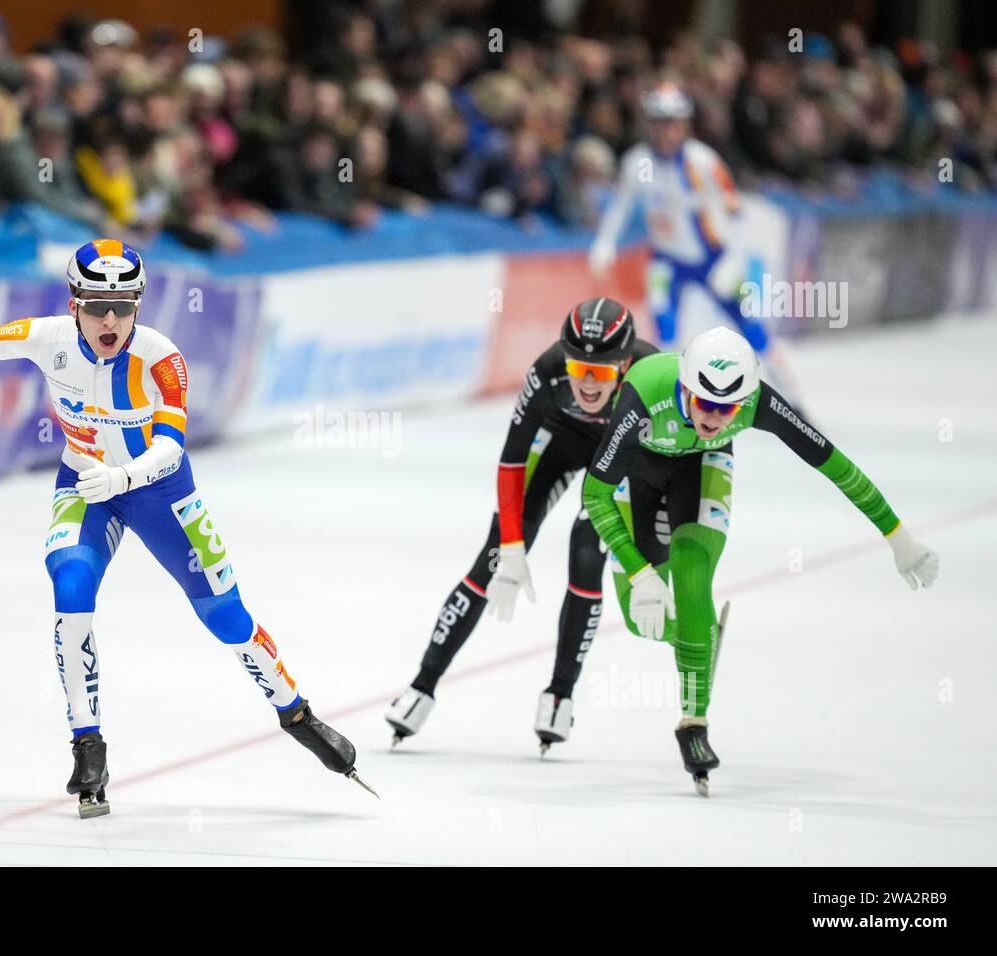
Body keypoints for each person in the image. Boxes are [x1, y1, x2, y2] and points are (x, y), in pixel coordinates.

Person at [0, 239, 376, 816]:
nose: (112, 320)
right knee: (71, 585)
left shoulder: (161, 359)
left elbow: (172, 448)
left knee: (225, 616)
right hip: (86, 487)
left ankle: (298, 715)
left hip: (159, 491)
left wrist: (124, 476)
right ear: (73, 300)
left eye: (125, 306)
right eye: (98, 304)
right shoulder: (46, 337)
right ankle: (88, 744)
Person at [579, 325, 939, 794]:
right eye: (704, 403)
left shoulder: (757, 404)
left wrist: (897, 535)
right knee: (637, 619)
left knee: (691, 578)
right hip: (638, 475)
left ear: (743, 401)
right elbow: (594, 494)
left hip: (702, 472)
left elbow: (834, 465)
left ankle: (694, 725)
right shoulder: (643, 394)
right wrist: (641, 572)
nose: (714, 418)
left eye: (726, 409)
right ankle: (698, 636)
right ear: (685, 388)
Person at [386, 298, 659, 753]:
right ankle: (422, 684)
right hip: (560, 441)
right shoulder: (548, 369)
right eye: (580, 367)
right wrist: (512, 546)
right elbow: (512, 459)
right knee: (492, 558)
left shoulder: (651, 373)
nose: (589, 383)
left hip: (618, 454)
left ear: (626, 364)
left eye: (604, 371)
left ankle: (561, 694)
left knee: (587, 555)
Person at [589, 83, 770, 354]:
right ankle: (672, 390)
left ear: (685, 124)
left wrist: (734, 258)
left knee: (752, 325)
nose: (666, 131)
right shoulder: (637, 162)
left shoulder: (704, 161)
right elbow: (621, 206)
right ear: (649, 125)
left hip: (712, 256)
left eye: (673, 123)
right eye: (659, 123)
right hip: (667, 259)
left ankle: (786, 389)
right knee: (665, 328)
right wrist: (604, 242)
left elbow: (735, 210)